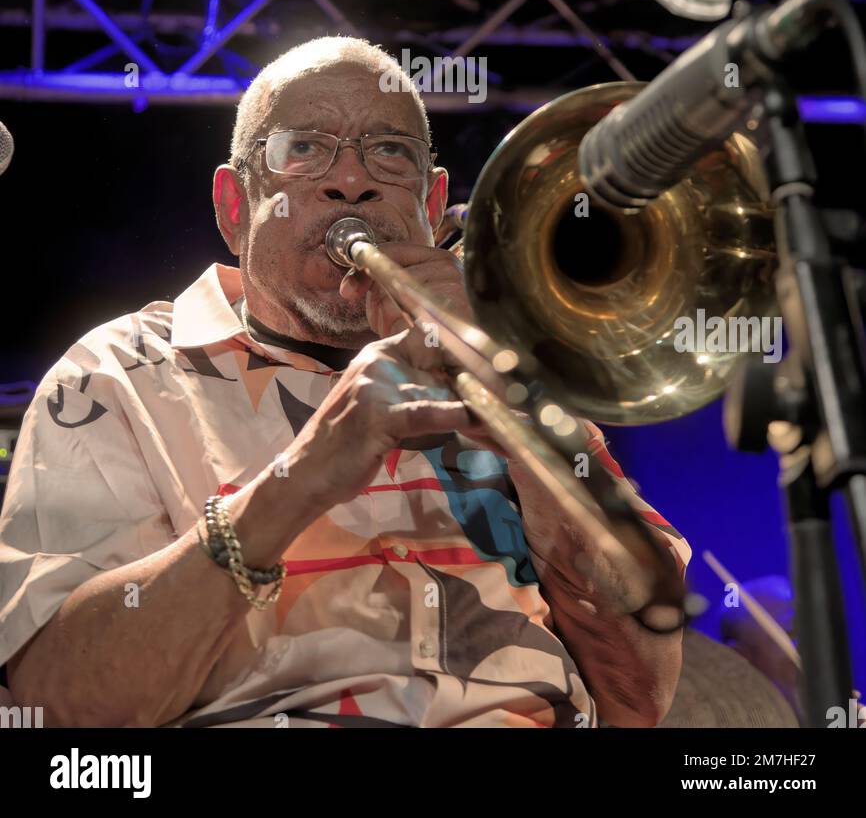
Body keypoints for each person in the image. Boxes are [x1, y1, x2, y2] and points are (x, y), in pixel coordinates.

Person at [0, 36, 690, 728]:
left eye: (390, 152)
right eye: (303, 149)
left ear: (433, 199)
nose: (351, 181)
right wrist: (300, 479)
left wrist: (511, 408)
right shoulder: (118, 373)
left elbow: (640, 694)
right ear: (234, 205)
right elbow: (54, 702)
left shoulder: (507, 370)